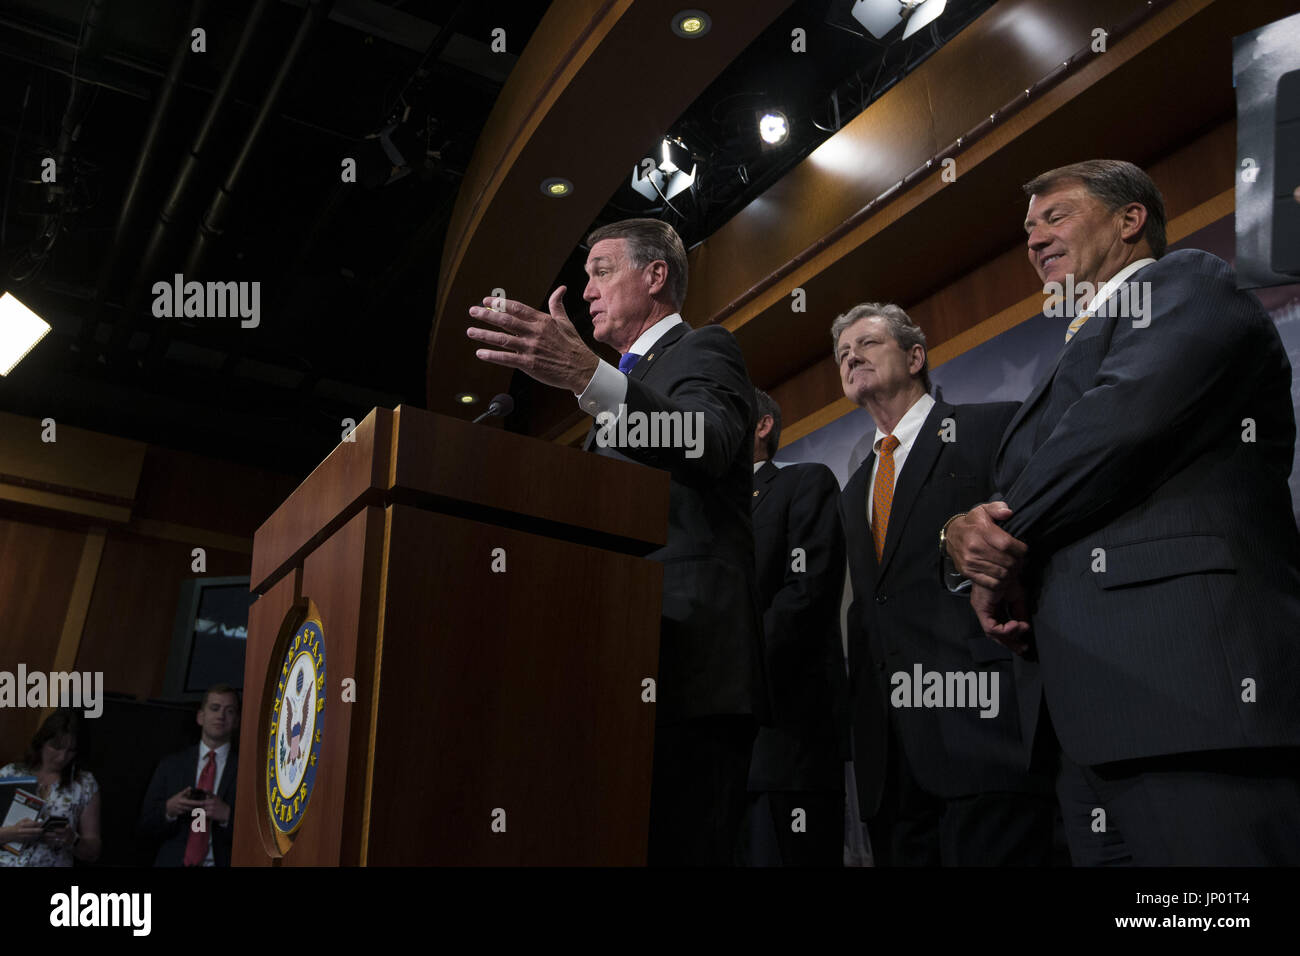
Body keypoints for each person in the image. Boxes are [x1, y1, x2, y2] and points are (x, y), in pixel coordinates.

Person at [944, 159, 1300, 865]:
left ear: (1130, 219)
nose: (1035, 238)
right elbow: (1028, 482)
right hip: (1082, 730)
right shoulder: (1068, 352)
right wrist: (959, 541)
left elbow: (1118, 426)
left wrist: (993, 544)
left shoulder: (1191, 281)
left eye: (1056, 216)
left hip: (1191, 701)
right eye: (1027, 228)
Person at [467, 218, 765, 865]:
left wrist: (588, 377)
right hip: (616, 666)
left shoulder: (706, 350)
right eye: (586, 277)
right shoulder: (614, 393)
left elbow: (702, 442)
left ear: (655, 277)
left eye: (602, 271)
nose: (587, 290)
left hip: (690, 671)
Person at [835, 302, 1054, 865]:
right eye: (842, 353)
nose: (851, 356)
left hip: (984, 731)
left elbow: (1034, 549)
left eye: (866, 344)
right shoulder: (853, 487)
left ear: (915, 356)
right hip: (892, 759)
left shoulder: (991, 427)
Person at [741, 388, 847, 867]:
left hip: (784, 750)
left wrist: (726, 661)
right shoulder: (701, 513)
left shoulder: (805, 483)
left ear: (762, 426)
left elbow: (806, 595)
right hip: (717, 763)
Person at [137, 684, 240, 866]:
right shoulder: (171, 765)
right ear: (201, 716)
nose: (221, 716)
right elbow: (145, 825)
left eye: (229, 711)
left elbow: (258, 834)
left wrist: (227, 816)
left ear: (237, 721)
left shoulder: (245, 772)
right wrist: (169, 809)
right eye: (215, 708)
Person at [0, 709, 102, 866]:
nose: (62, 757)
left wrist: (72, 840)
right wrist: (9, 833)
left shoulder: (84, 784)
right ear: (42, 742)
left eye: (70, 751)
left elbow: (93, 852)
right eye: (56, 747)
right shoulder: (9, 774)